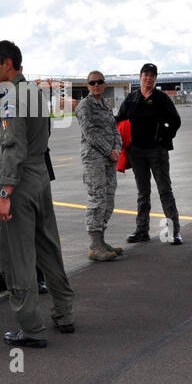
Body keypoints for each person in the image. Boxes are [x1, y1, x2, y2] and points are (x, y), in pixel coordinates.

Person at [0, 40, 74, 347]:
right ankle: (64, 313)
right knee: (48, 248)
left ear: (7, 65)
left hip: (20, 181)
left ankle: (31, 328)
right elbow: (12, 138)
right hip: (39, 177)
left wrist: (6, 192)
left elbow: (13, 146)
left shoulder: (11, 98)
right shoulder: (33, 93)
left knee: (17, 257)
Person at [0, 107, 49, 296]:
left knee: (32, 229)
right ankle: (0, 278)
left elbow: (41, 133)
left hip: (26, 173)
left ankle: (38, 277)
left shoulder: (29, 97)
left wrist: (7, 133)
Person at [115, 62, 183, 245]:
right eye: (146, 74)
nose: (149, 78)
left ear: (155, 78)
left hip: (157, 151)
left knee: (165, 190)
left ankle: (174, 231)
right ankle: (142, 230)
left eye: (152, 75)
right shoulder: (131, 99)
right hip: (136, 152)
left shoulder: (162, 98)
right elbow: (119, 120)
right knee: (142, 192)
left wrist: (163, 138)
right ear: (140, 77)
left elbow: (175, 121)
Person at [74, 70, 122, 261]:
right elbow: (90, 133)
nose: (96, 85)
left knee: (108, 199)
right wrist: (109, 151)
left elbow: (114, 129)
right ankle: (94, 244)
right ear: (88, 86)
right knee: (97, 199)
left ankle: (101, 241)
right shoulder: (84, 106)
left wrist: (117, 148)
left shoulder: (105, 105)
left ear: (104, 84)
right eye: (92, 83)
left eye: (99, 82)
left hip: (109, 159)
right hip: (94, 159)